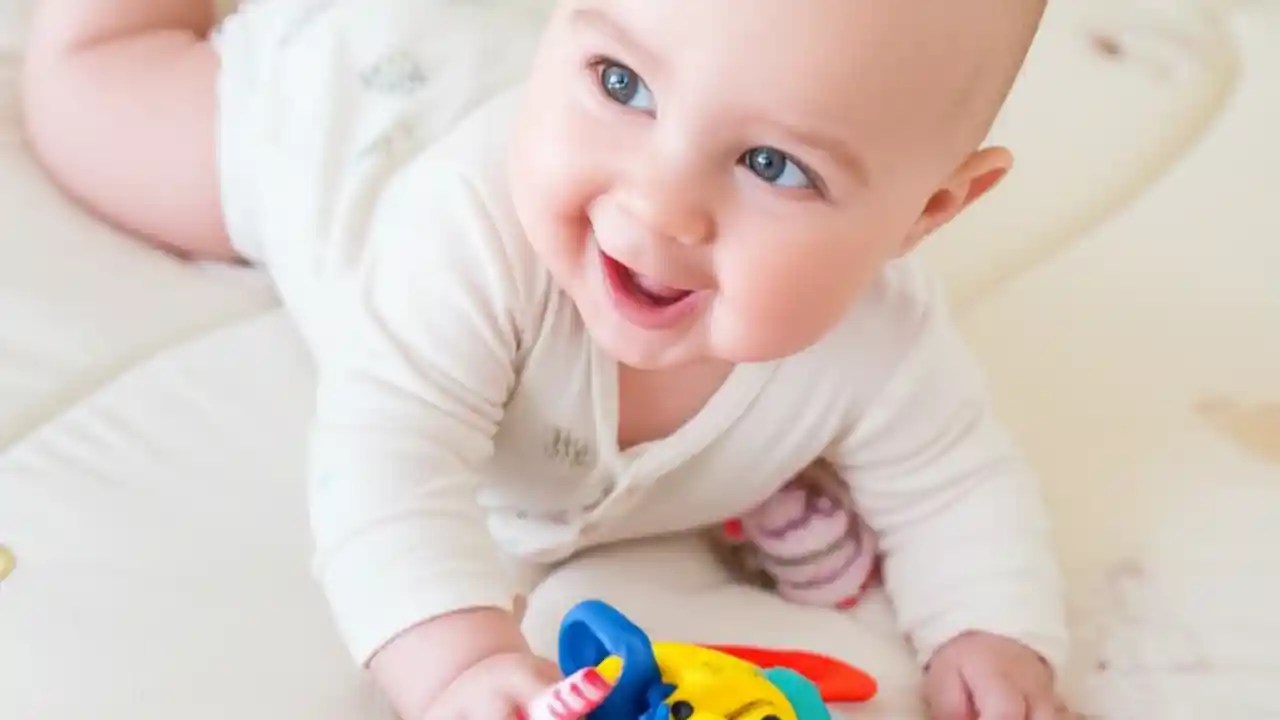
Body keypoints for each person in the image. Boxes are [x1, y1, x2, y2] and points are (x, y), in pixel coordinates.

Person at [21, 0, 1068, 717]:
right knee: (90, 91)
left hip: (471, 44)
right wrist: (460, 662)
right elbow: (387, 459)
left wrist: (990, 630)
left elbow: (954, 483)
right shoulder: (467, 227)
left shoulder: (880, 341)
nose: (657, 202)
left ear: (929, 210)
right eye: (618, 82)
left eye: (769, 164)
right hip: (348, 116)